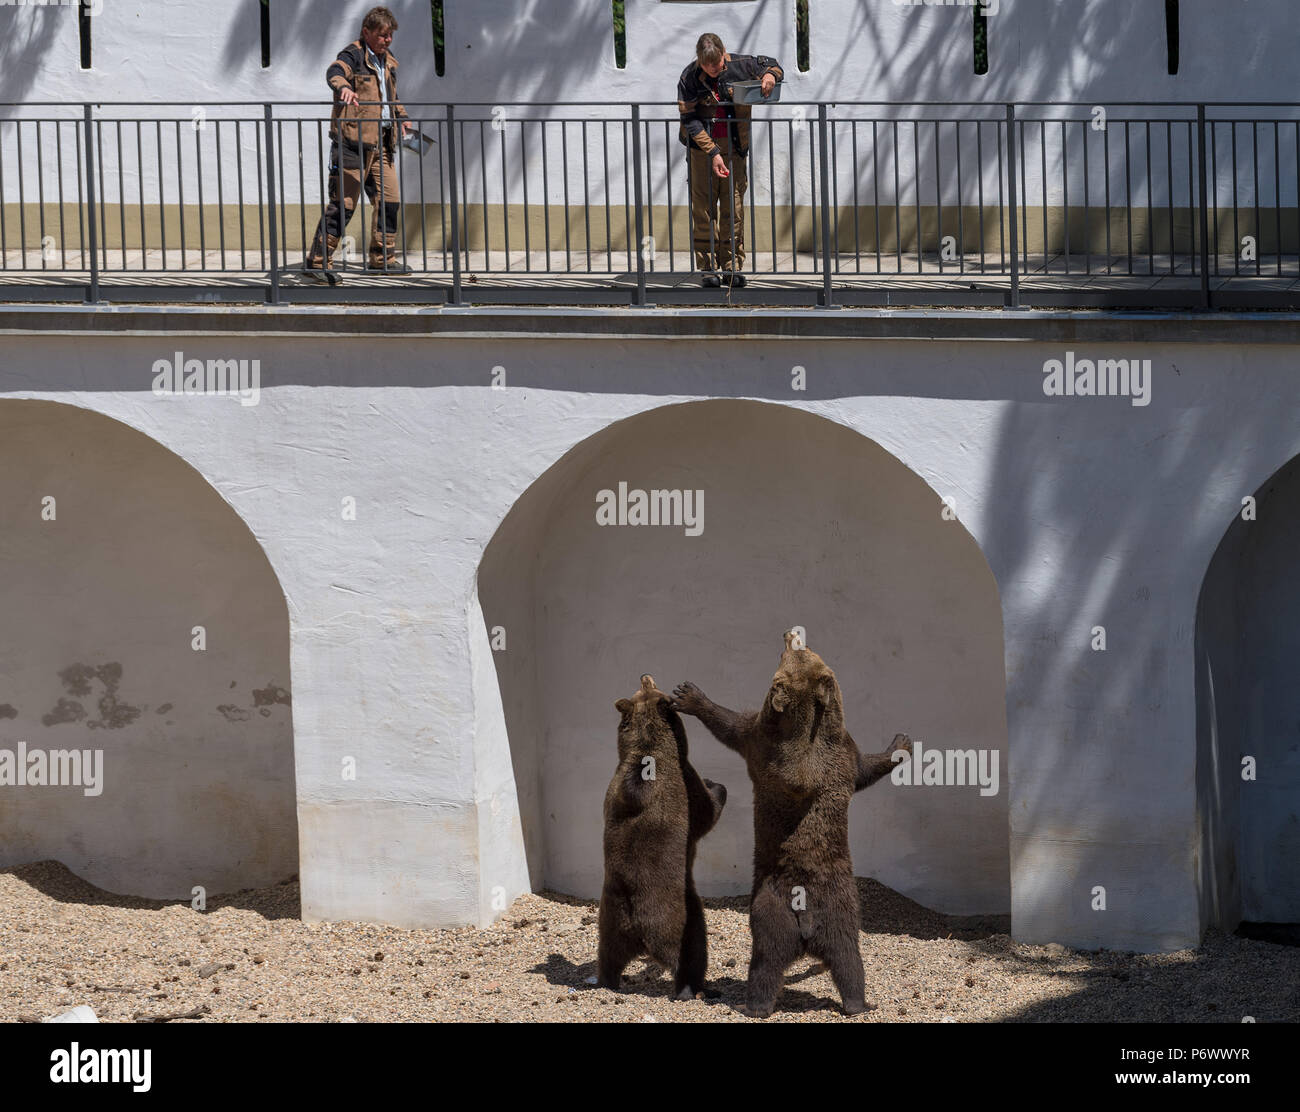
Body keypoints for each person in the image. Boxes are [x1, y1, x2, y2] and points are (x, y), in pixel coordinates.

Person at [303, 6, 414, 283]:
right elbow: (335, 71)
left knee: (389, 201)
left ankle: (382, 259)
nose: (387, 40)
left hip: (381, 144)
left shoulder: (387, 60)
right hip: (351, 143)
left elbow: (390, 97)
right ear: (367, 32)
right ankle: (317, 262)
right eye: (382, 35)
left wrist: (402, 117)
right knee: (344, 204)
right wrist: (342, 87)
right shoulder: (353, 54)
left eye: (390, 36)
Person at [677, 33, 782, 288]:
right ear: (700, 61)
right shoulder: (689, 77)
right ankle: (708, 268)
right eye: (708, 67)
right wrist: (712, 153)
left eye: (718, 65)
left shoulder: (741, 65)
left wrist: (770, 76)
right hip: (702, 150)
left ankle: (732, 267)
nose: (714, 70)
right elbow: (689, 119)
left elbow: (773, 65)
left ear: (724, 53)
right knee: (704, 209)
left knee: (733, 208)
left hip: (734, 149)